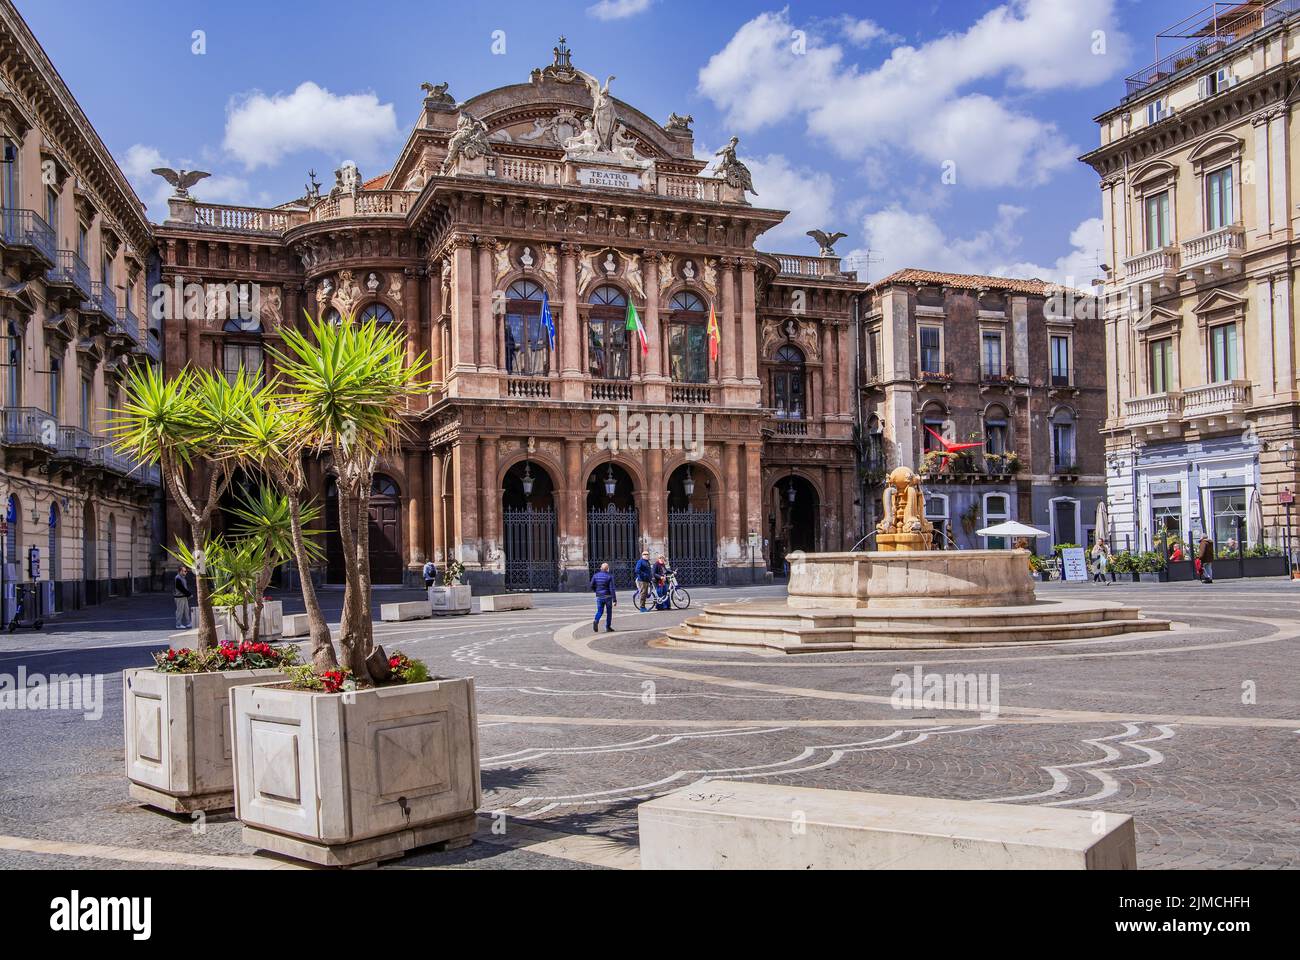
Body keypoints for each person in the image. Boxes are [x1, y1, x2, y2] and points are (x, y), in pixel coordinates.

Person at [590, 561, 616, 632]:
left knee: (600, 611)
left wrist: (596, 591)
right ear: (607, 569)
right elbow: (612, 589)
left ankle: (596, 620)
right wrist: (614, 600)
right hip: (608, 596)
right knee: (609, 612)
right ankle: (608, 627)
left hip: (599, 596)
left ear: (601, 568)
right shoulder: (609, 576)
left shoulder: (595, 575)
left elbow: (591, 585)